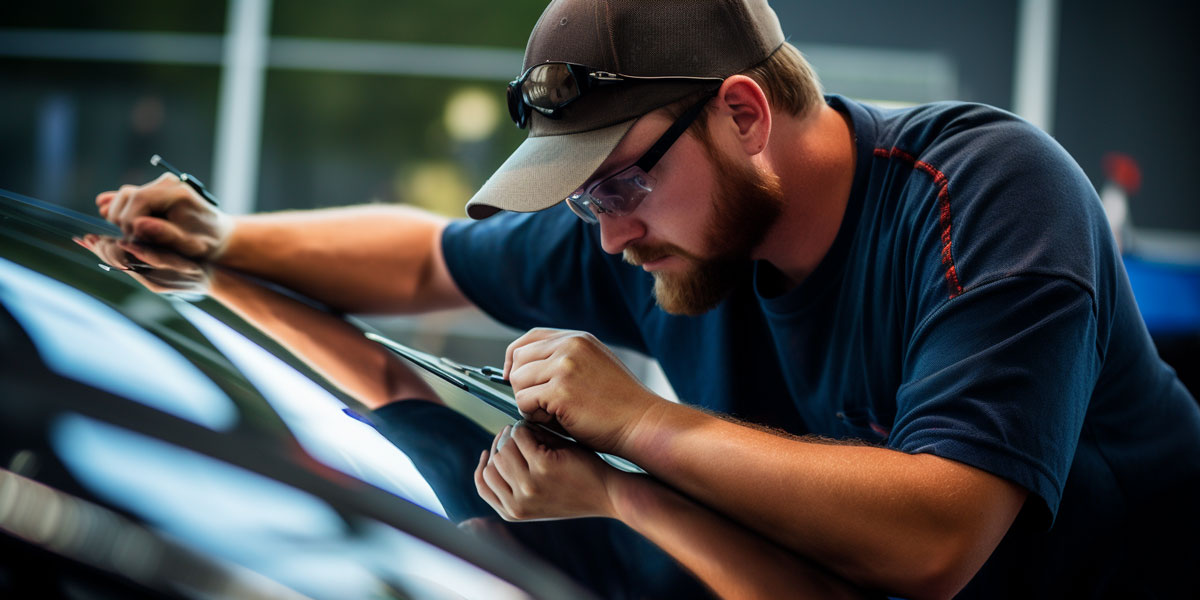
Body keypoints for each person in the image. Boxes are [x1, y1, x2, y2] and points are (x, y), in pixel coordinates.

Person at [96, 1, 1200, 598]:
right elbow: (428, 260)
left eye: (621, 180)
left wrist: (641, 428)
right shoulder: (662, 229)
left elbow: (940, 541)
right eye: (581, 200)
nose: (611, 230)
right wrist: (226, 240)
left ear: (743, 113)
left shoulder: (986, 197)